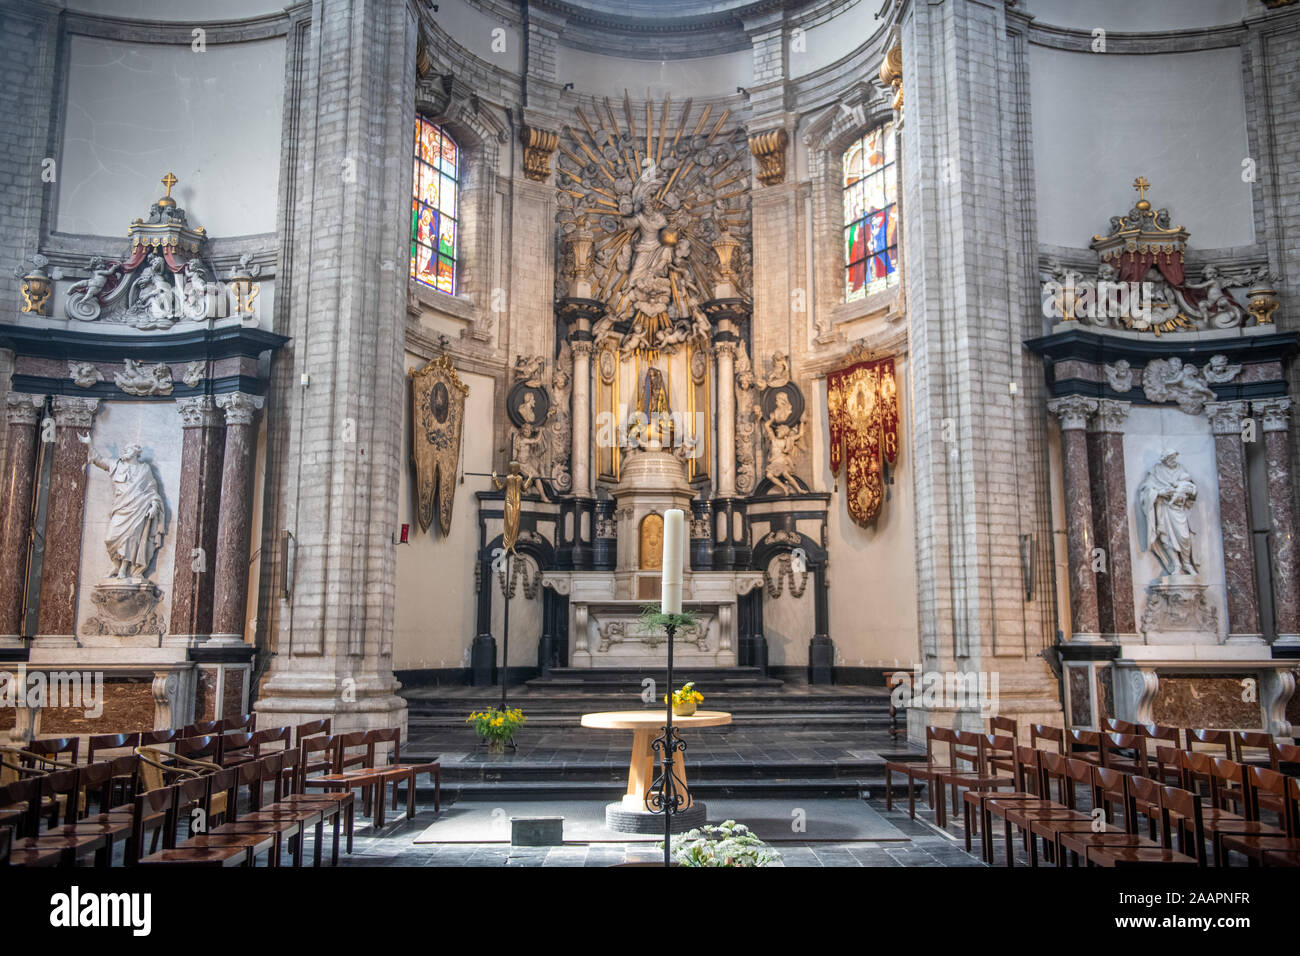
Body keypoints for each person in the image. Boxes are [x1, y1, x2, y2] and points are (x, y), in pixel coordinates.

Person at [78, 437, 166, 580]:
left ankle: (124, 569)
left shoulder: (144, 470)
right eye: (124, 449)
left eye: (128, 449)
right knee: (110, 538)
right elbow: (98, 459)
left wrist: (154, 507)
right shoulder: (116, 465)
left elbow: (152, 491)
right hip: (121, 508)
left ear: (136, 453)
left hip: (139, 507)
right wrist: (89, 444)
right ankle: (117, 565)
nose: (125, 450)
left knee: (131, 539)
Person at [1137, 449, 1198, 576]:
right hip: (1164, 509)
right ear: (1165, 459)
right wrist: (1160, 492)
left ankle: (1187, 563)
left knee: (1184, 537)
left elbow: (1191, 486)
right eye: (1171, 458)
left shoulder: (1181, 469)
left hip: (1179, 510)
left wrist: (1191, 491)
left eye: (1174, 457)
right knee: (1166, 537)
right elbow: (1146, 489)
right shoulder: (1156, 471)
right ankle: (1176, 564)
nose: (1173, 460)